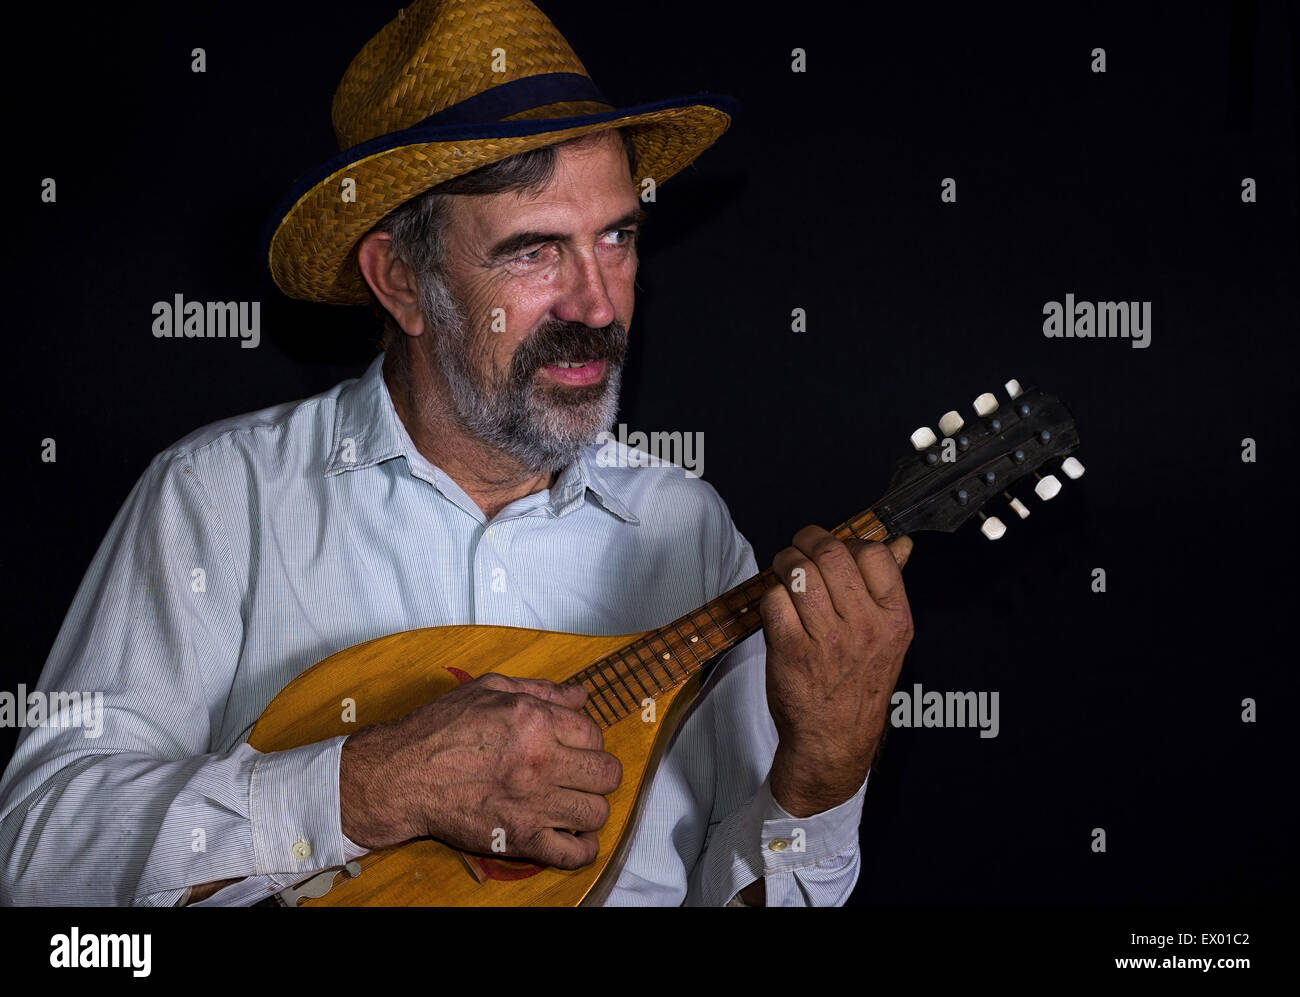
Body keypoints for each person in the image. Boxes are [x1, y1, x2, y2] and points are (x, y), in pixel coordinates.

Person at [0, 0, 913, 907]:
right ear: (402, 279)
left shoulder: (689, 529)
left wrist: (820, 784)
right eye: (533, 251)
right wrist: (375, 784)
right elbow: (37, 858)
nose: (597, 304)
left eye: (617, 237)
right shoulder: (219, 500)